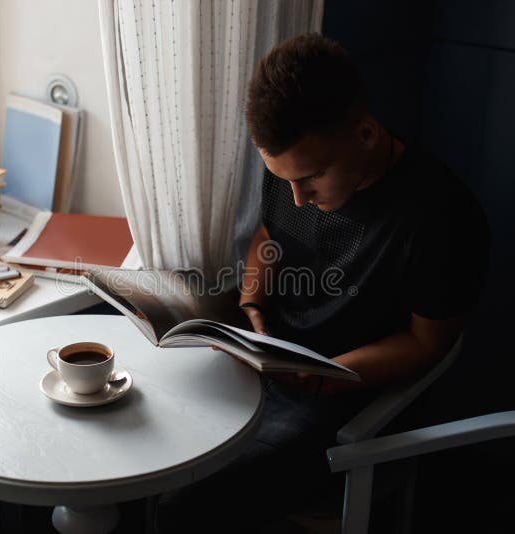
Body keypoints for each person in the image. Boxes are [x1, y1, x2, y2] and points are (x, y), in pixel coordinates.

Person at [154, 32, 490, 533]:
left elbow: (429, 341)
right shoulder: (295, 170)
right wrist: (252, 306)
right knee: (141, 443)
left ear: (366, 135)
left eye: (311, 178)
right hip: (266, 361)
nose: (297, 198)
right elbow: (268, 234)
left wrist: (325, 375)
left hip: (346, 399)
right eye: (281, 178)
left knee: (183, 503)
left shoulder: (441, 214)